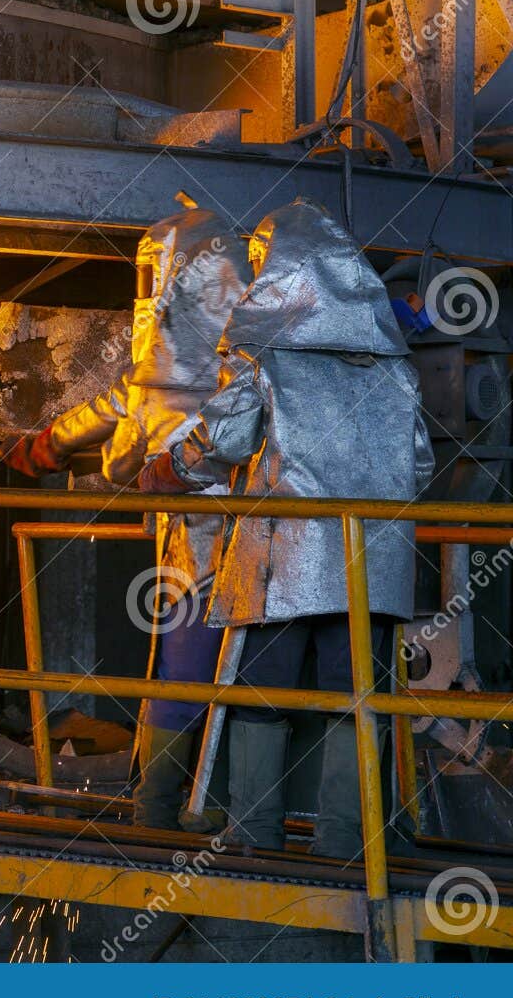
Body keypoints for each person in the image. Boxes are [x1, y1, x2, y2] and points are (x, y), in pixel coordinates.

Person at [140, 198, 434, 859]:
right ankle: (343, 848)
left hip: (285, 564)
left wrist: (168, 470)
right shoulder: (393, 367)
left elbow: (226, 438)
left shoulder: (263, 355)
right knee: (355, 702)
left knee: (260, 698)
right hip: (373, 570)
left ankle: (252, 839)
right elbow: (420, 462)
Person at [4, 207, 250, 828]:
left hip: (197, 556)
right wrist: (55, 440)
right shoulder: (251, 360)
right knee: (253, 683)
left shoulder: (169, 380)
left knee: (182, 677)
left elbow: (121, 457)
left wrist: (58, 448)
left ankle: (159, 811)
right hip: (277, 558)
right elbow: (125, 400)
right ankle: (237, 818)